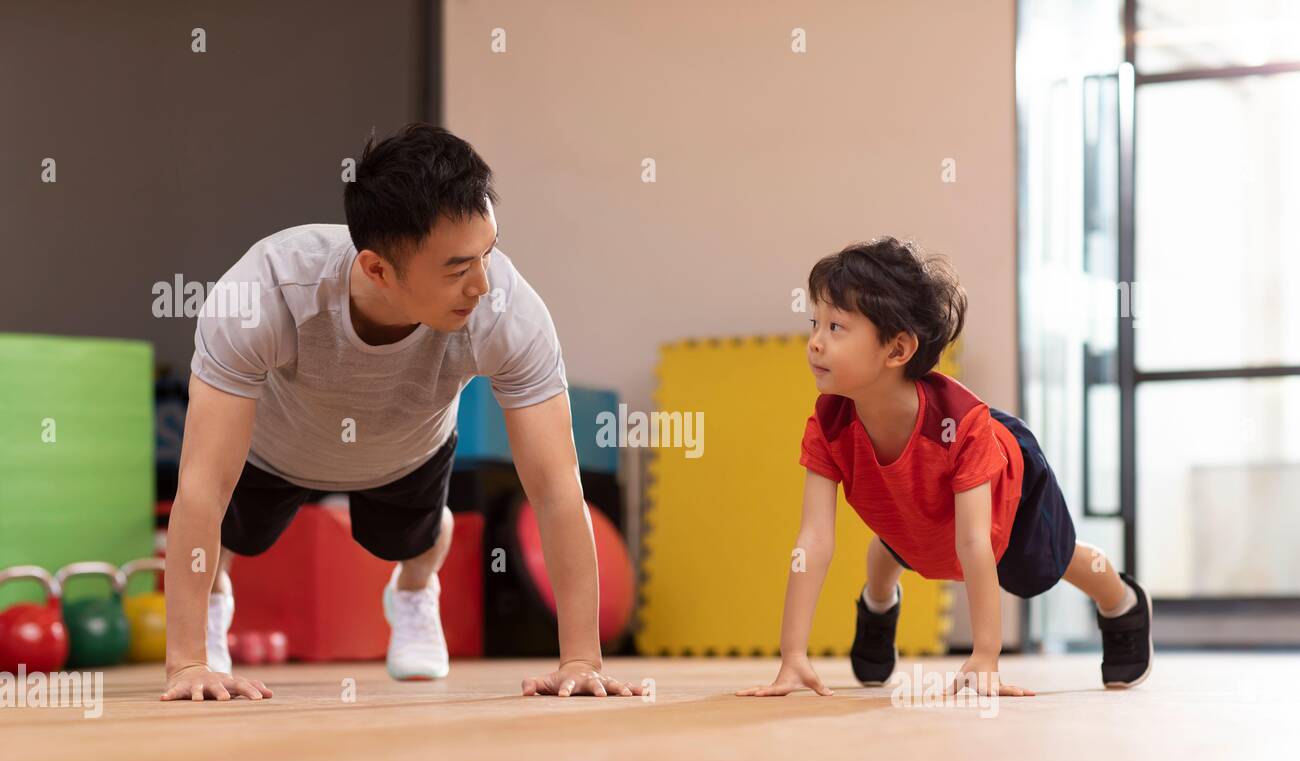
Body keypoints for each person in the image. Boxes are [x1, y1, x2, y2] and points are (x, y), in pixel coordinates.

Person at [162, 124, 640, 702]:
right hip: (274, 450)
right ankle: (215, 605)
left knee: (414, 538)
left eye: (488, 253)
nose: (483, 285)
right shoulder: (264, 293)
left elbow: (557, 487)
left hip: (407, 452)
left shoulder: (508, 311)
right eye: (457, 268)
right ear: (377, 269)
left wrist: (581, 659)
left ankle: (414, 591)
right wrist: (187, 665)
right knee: (231, 532)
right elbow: (202, 484)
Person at [738, 237, 1153, 699]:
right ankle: (879, 605)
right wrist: (792, 654)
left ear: (897, 351)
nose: (815, 342)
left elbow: (975, 541)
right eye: (815, 323)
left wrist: (985, 656)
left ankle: (1122, 602)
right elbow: (813, 539)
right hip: (921, 511)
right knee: (891, 547)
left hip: (1005, 505)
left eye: (836, 327)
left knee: (1050, 564)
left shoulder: (962, 427)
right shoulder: (829, 422)